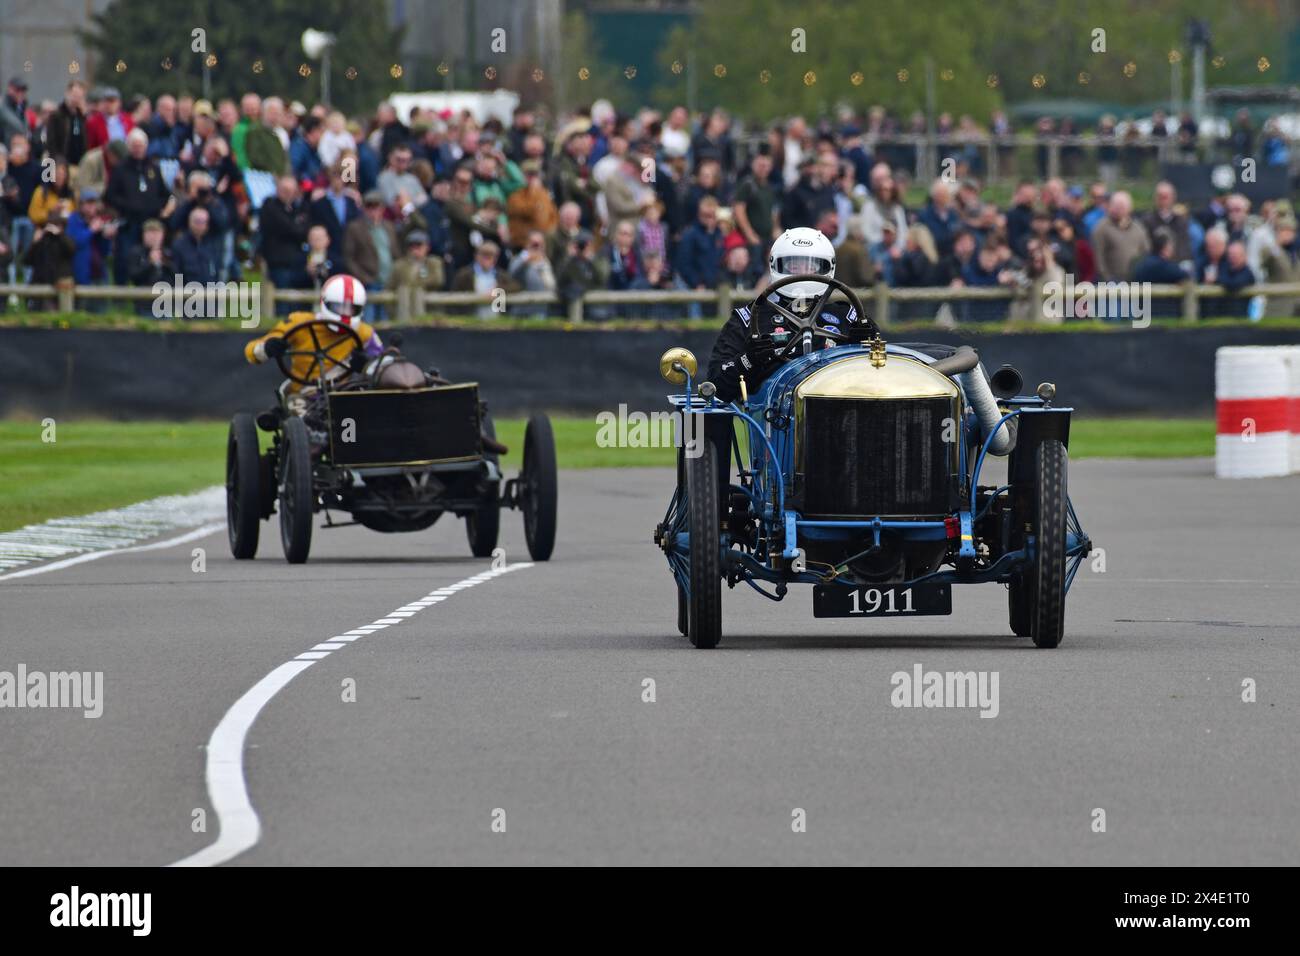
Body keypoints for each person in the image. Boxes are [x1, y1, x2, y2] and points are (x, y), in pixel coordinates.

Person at [706, 226, 876, 403]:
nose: (802, 272)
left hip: (836, 404)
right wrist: (750, 359)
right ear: (776, 265)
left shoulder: (846, 315)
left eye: (811, 266)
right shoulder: (749, 317)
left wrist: (863, 342)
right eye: (794, 265)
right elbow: (715, 385)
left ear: (827, 267)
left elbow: (877, 374)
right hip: (772, 412)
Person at [244, 273, 384, 391]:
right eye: (339, 307)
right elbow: (251, 351)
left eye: (351, 309)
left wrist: (365, 365)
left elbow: (381, 364)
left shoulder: (364, 332)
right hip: (304, 392)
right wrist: (267, 348)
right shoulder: (298, 322)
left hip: (344, 392)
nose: (345, 313)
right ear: (326, 303)